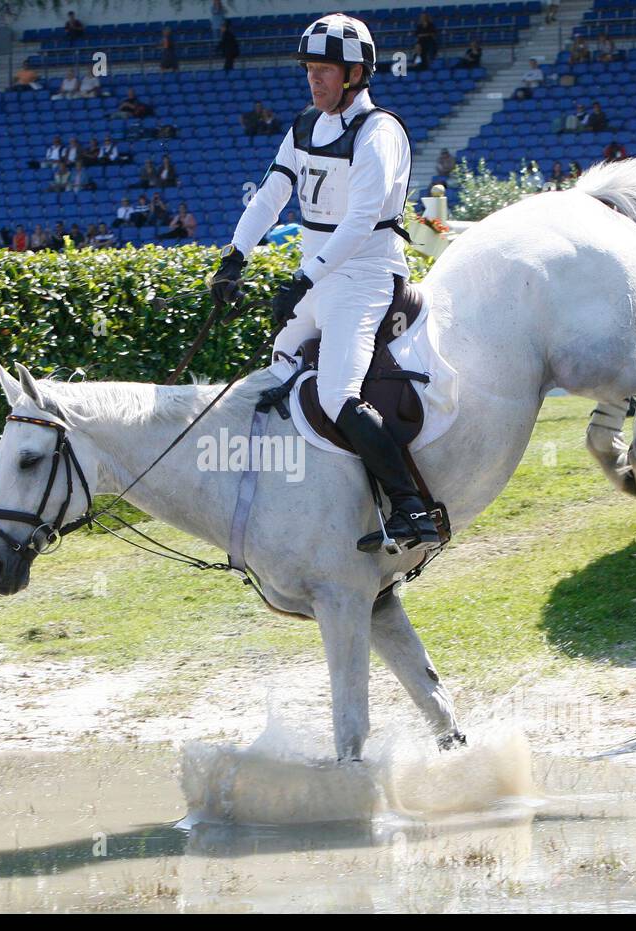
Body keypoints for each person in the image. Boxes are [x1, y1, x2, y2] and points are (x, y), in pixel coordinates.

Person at [206, 13, 438, 552]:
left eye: (325, 71)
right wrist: (236, 255)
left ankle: (410, 508)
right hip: (320, 277)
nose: (315, 81)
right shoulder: (306, 125)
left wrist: (303, 278)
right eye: (310, 70)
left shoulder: (379, 132)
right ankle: (315, 499)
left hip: (364, 277)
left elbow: (359, 223)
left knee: (337, 394)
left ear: (356, 74)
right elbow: (269, 196)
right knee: (278, 373)